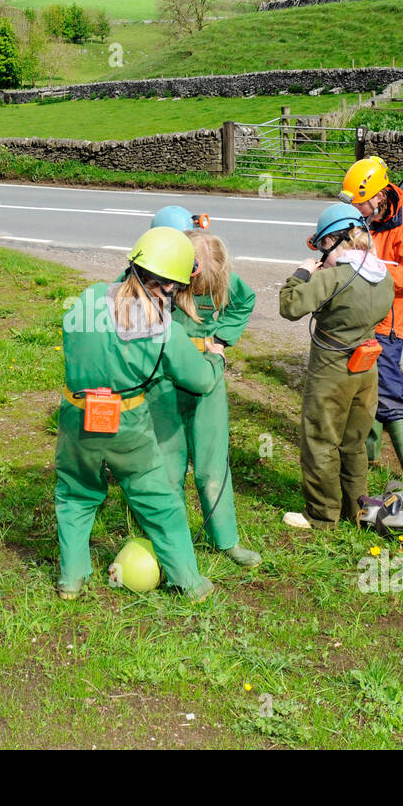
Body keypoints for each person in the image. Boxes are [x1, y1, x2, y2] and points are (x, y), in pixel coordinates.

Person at [55, 227, 226, 601]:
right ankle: (190, 583)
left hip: (75, 417)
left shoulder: (87, 299)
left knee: (75, 494)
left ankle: (72, 579)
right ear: (173, 286)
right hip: (127, 425)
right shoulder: (164, 331)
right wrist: (215, 360)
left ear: (133, 264)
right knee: (161, 505)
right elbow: (198, 381)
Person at [143, 206, 260, 567]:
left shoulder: (225, 279)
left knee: (212, 464)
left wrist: (221, 342)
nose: (202, 293)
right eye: (195, 287)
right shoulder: (152, 274)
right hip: (163, 378)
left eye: (210, 287)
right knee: (168, 463)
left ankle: (225, 539)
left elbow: (244, 302)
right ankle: (168, 538)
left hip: (208, 375)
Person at [279, 203, 395, 529]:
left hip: (332, 369)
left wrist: (302, 272)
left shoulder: (333, 278)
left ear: (335, 240)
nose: (320, 252)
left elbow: (289, 306)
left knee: (320, 439)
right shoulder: (382, 274)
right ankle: (356, 510)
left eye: (322, 245)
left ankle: (321, 514)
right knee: (353, 442)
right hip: (366, 367)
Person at [344, 157, 403, 491]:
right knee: (363, 387)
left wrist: (377, 273)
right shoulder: (358, 219)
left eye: (362, 202)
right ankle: (369, 452)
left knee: (390, 393)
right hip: (358, 320)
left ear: (379, 196)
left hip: (386, 327)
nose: (358, 208)